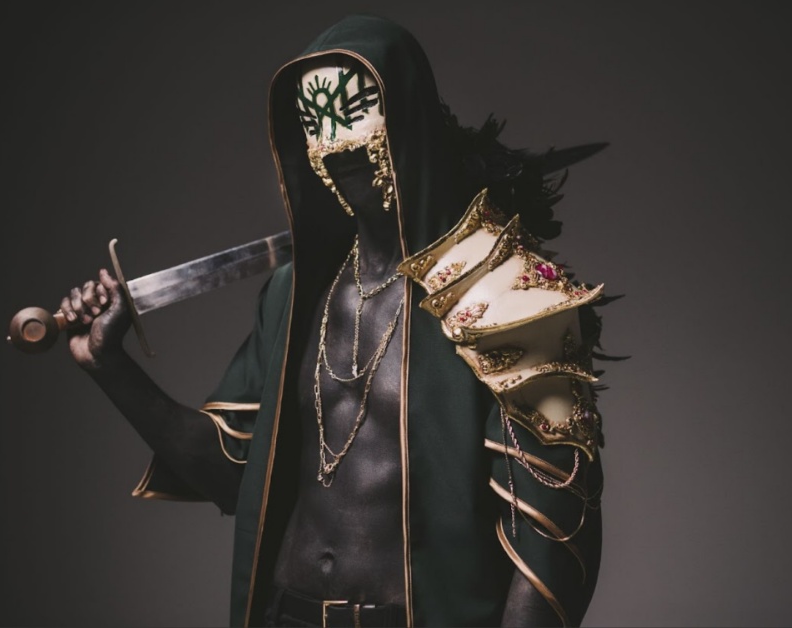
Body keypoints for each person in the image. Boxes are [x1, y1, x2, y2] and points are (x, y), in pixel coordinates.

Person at [59, 14, 614, 628]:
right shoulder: (294, 293)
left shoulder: (507, 294)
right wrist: (108, 366)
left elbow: (554, 540)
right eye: (314, 119)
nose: (336, 141)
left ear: (407, 115)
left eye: (354, 111)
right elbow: (234, 476)